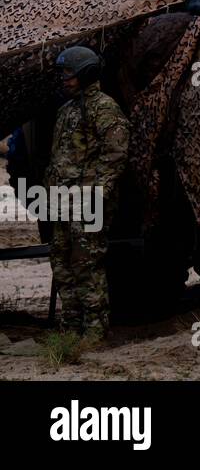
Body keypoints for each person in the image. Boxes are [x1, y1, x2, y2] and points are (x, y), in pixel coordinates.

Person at [46, 45, 128, 337]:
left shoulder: (103, 107)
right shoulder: (67, 110)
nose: (64, 79)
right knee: (61, 261)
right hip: (60, 201)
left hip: (86, 202)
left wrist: (98, 193)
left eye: (68, 73)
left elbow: (116, 152)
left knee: (87, 265)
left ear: (85, 73)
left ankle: (94, 332)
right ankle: (70, 328)